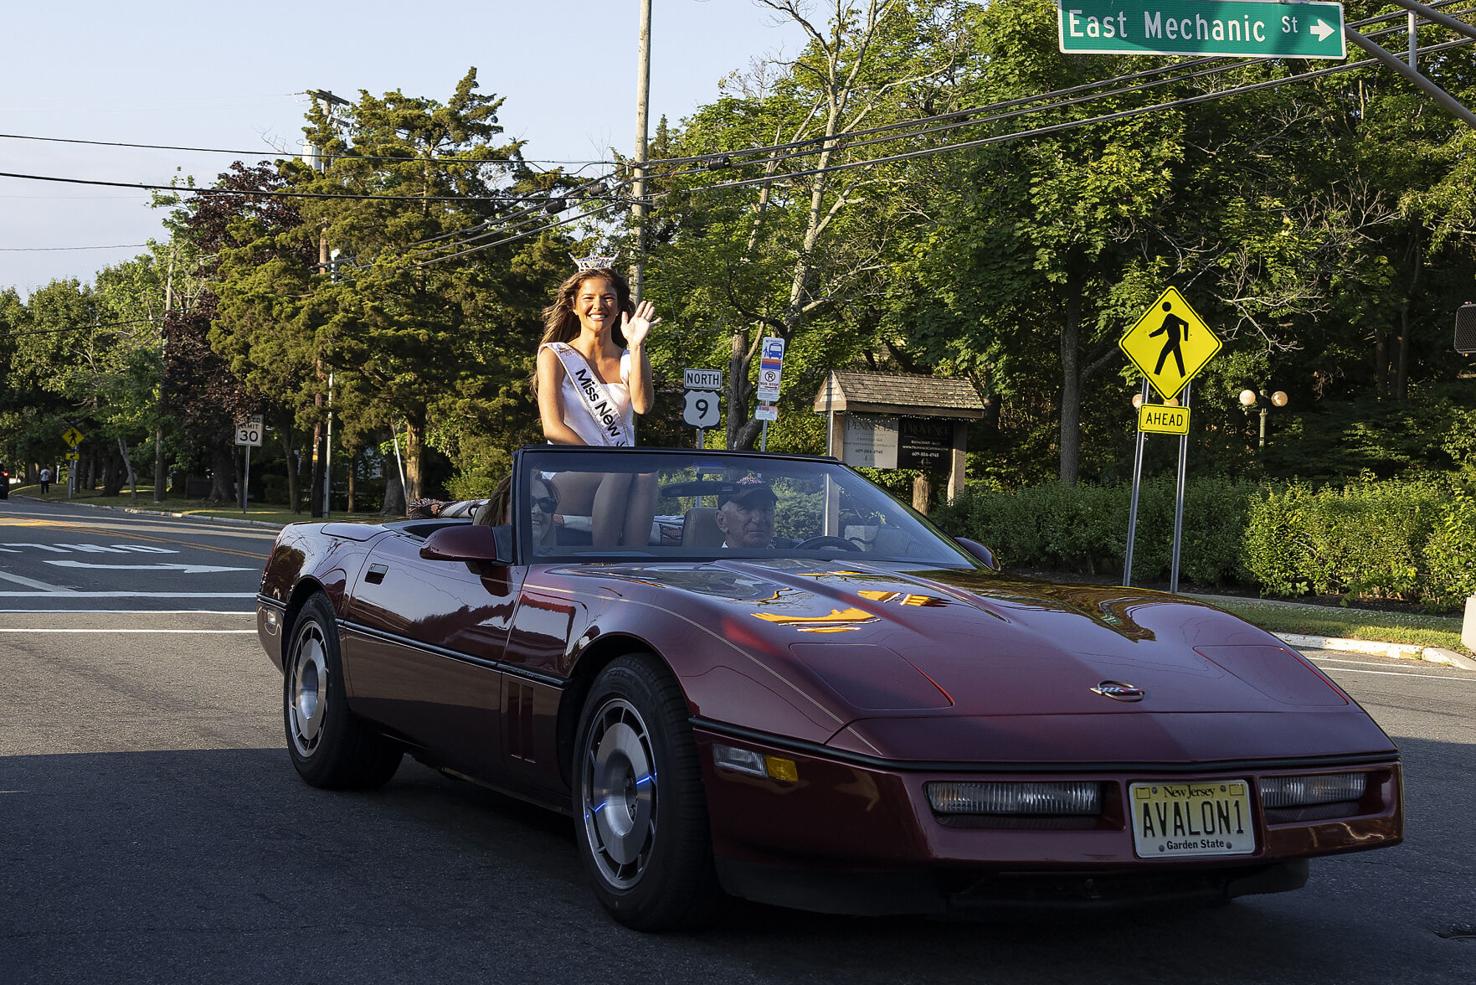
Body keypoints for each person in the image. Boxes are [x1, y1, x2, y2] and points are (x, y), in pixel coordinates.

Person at [534, 265, 658, 549]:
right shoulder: (555, 355)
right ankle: (603, 566)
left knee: (647, 475)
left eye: (608, 298)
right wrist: (603, 461)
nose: (598, 306)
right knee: (621, 472)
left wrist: (637, 345)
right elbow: (553, 428)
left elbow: (642, 406)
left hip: (623, 473)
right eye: (589, 298)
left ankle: (633, 568)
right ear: (573, 305)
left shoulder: (630, 357)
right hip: (568, 472)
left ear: (619, 306)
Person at [715, 477, 777, 549]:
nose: (758, 519)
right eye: (746, 509)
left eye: (766, 509)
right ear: (721, 521)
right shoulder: (706, 560)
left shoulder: (788, 557)